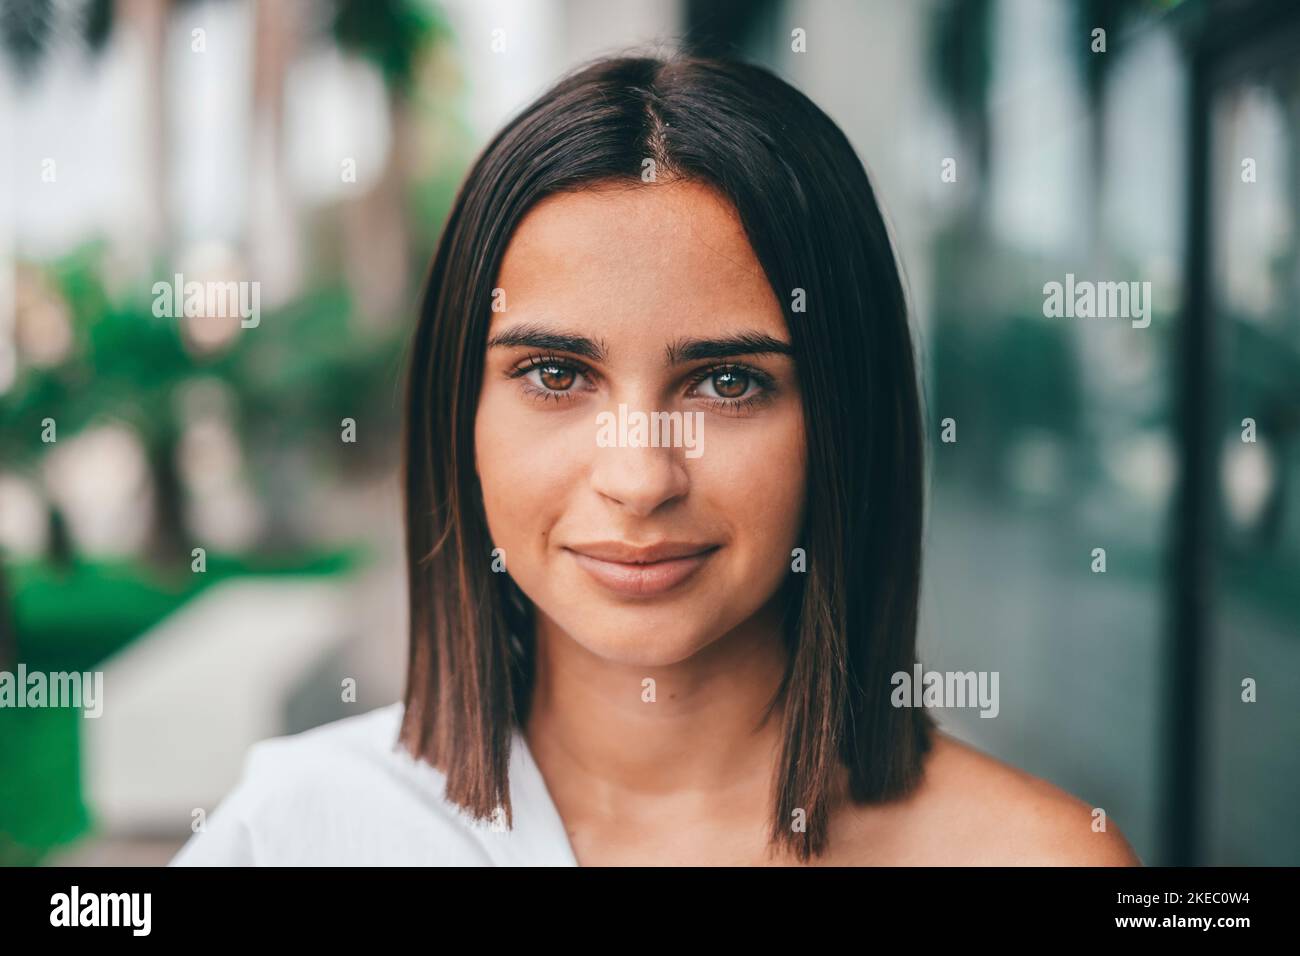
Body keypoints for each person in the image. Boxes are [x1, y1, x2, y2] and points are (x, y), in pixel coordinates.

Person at [172, 53, 1142, 867]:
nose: (638, 479)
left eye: (726, 383)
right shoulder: (298, 833)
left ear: (843, 419)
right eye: (556, 373)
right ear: (458, 415)